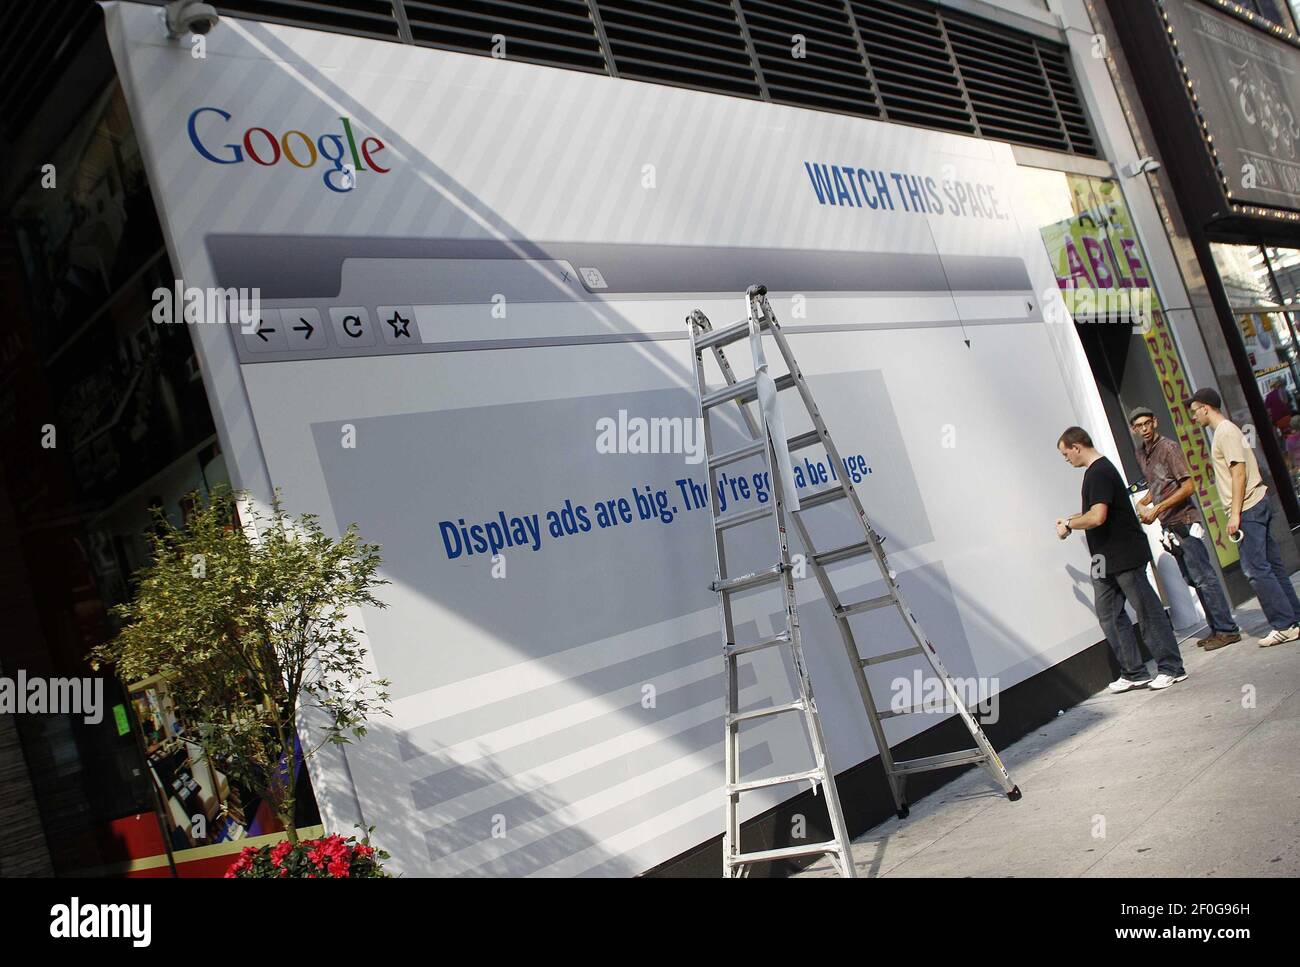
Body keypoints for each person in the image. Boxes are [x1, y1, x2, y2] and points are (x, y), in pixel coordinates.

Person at [1056, 426, 1187, 691]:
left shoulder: (1100, 472)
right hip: (1104, 560)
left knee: (1147, 611)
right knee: (1109, 615)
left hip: (1124, 555)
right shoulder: (1095, 473)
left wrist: (1070, 525)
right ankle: (1133, 672)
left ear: (1076, 446)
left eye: (1065, 453)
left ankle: (1171, 667)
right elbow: (1094, 513)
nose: (1065, 458)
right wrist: (1070, 520)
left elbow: (1098, 516)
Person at [1188, 387, 1300, 647]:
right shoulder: (1226, 431)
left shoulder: (1224, 432)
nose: (1194, 417)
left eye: (1195, 411)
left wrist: (1235, 514)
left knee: (1255, 570)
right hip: (1256, 502)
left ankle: (1283, 624)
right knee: (1271, 566)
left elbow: (1238, 473)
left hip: (1248, 507)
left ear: (1206, 407)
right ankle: (1293, 618)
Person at [1128, 405, 1240, 651]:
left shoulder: (1169, 448)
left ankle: (1227, 630)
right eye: (1139, 426)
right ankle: (1217, 628)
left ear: (1155, 422)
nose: (1145, 429)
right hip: (1169, 524)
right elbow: (1158, 483)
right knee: (1193, 578)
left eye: (1148, 423)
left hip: (1185, 520)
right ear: (1133, 430)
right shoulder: (1141, 453)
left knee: (1204, 577)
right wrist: (1143, 503)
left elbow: (1188, 487)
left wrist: (1156, 508)